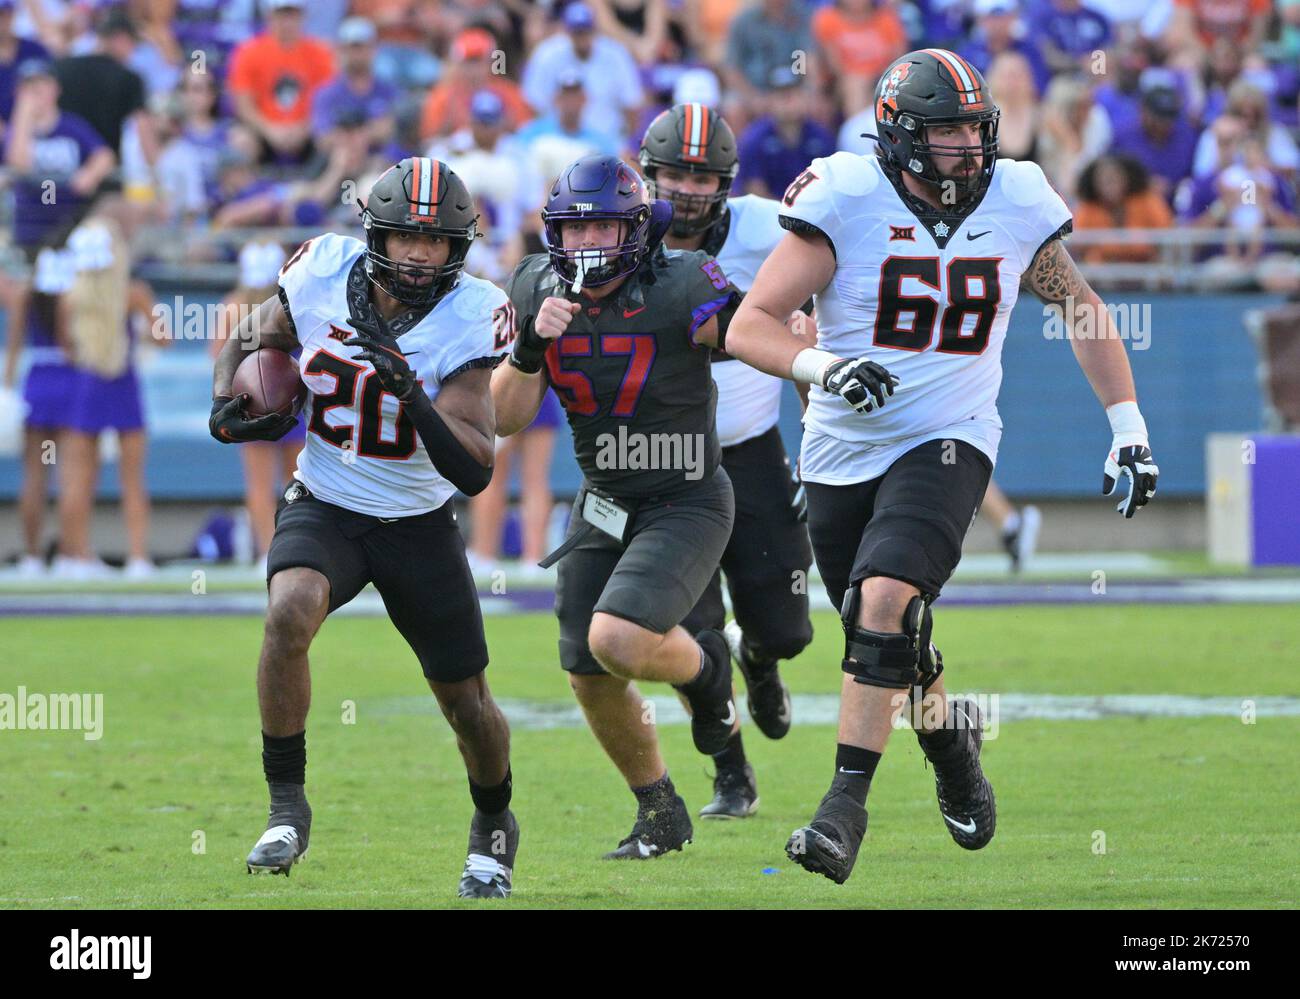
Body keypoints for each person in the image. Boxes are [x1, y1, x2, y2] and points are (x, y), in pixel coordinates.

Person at [726, 49, 1160, 883]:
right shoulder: (848, 196)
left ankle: (842, 810)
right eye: (949, 130)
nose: (968, 145)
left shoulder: (1015, 196)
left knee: (884, 601)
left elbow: (1080, 305)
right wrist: (822, 369)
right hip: (841, 447)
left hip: (951, 433)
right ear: (900, 136)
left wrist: (1129, 426)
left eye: (974, 126)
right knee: (882, 631)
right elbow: (754, 323)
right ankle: (953, 746)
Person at [209, 157, 519, 899]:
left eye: (437, 241)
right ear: (377, 233)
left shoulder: (473, 312)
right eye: (407, 237)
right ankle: (287, 804)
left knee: (466, 703)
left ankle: (495, 824)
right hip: (327, 497)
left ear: (458, 248)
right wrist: (228, 401)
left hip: (418, 518)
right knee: (289, 607)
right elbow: (247, 337)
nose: (420, 253)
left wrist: (410, 389)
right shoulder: (319, 270)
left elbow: (474, 468)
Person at [490, 153, 739, 859]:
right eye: (576, 228)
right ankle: (660, 811)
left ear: (636, 229)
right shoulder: (536, 285)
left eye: (605, 226)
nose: (589, 243)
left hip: (686, 492)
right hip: (603, 497)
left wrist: (811, 363)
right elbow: (504, 418)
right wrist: (532, 344)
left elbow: (754, 333)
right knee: (587, 670)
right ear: (554, 235)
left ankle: (707, 670)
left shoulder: (684, 280)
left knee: (617, 639)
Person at [639, 102, 815, 819]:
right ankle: (731, 774)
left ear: (727, 182)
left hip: (748, 449)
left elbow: (833, 274)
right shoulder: (618, 234)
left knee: (788, 628)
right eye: (675, 173)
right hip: (663, 462)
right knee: (694, 631)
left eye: (703, 175)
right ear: (648, 175)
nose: (687, 187)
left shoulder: (769, 227)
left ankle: (764, 658)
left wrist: (812, 334)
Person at [57, 209, 166, 581]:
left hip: (87, 383)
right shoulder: (134, 293)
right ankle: (138, 558)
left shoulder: (71, 297)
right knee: (132, 477)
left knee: (78, 477)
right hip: (123, 381)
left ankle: (74, 557)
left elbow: (66, 349)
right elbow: (164, 338)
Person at [209, 241, 305, 563]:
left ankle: (268, 551)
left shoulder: (234, 305)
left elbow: (218, 356)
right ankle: (291, 548)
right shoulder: (286, 303)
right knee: (296, 482)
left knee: (260, 484)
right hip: (292, 402)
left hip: (250, 405)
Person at [5, 245, 74, 578]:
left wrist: (7, 390)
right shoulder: (69, 297)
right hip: (68, 383)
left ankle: (32, 556)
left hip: (37, 383)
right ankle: (67, 554)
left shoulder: (25, 296)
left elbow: (14, 348)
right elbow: (71, 345)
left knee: (35, 476)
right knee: (70, 476)